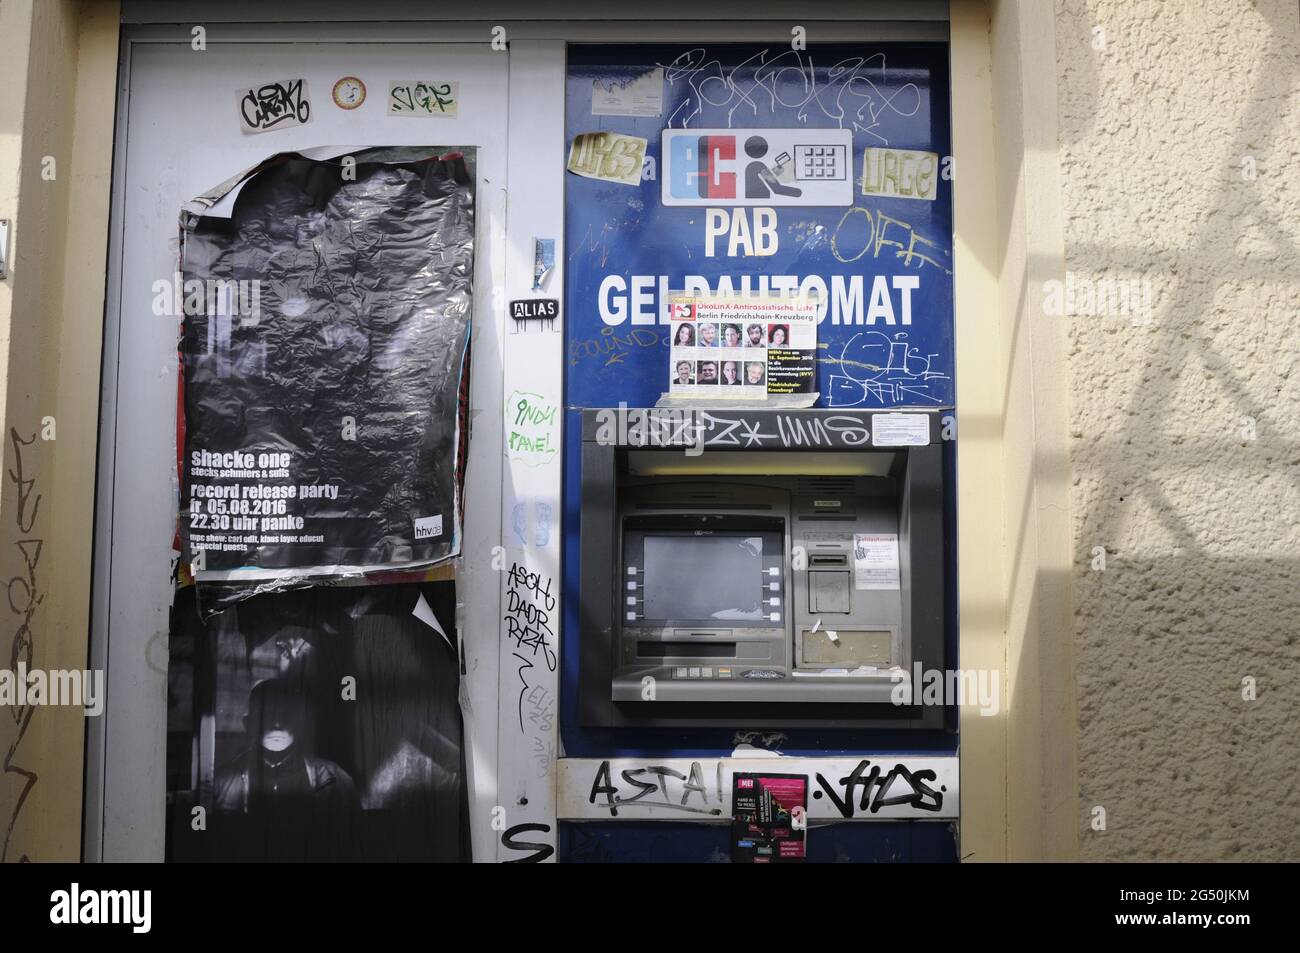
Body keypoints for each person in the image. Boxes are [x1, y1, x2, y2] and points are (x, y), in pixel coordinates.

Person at [214, 678, 358, 814]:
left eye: (286, 714)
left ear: (300, 723)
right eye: (267, 714)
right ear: (249, 724)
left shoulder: (335, 779)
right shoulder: (220, 782)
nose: (277, 724)